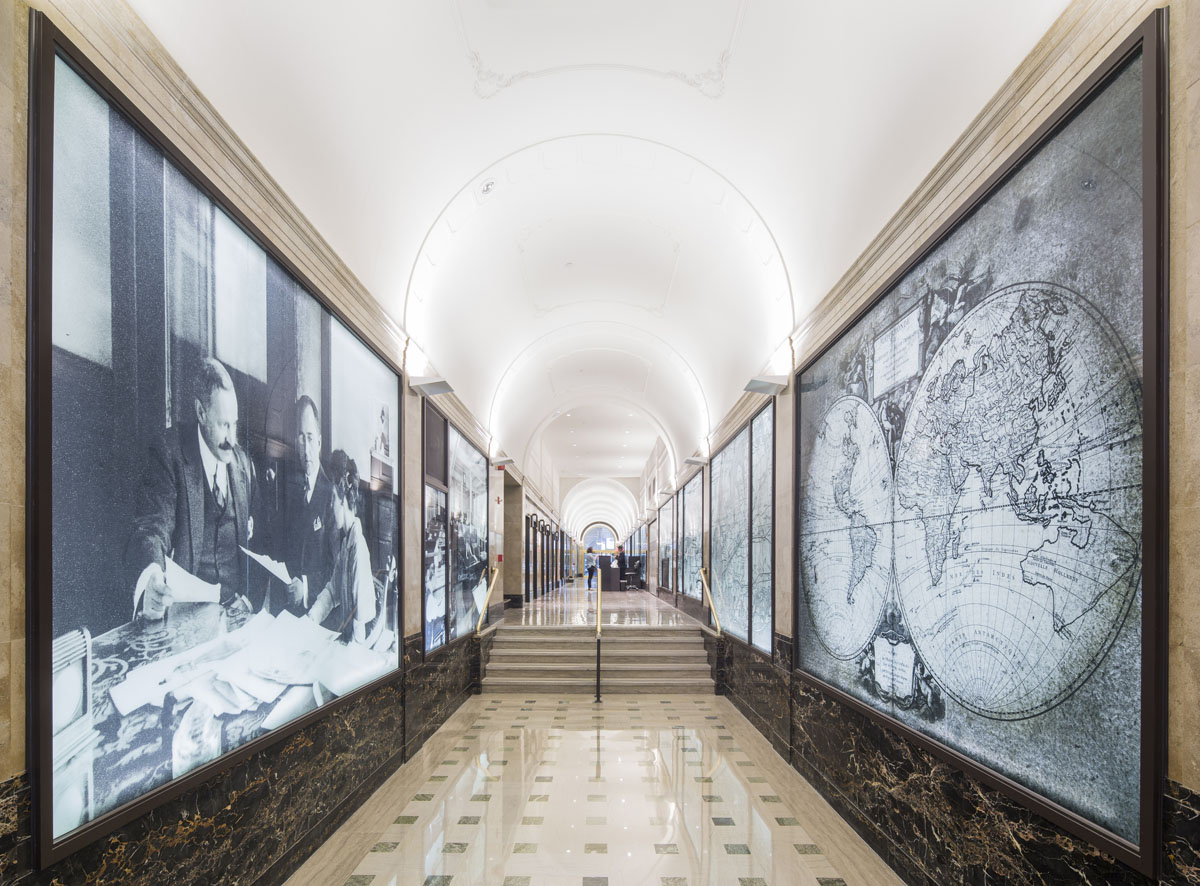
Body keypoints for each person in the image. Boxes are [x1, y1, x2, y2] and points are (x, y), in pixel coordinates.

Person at [126, 357, 257, 619]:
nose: (232, 438)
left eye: (234, 424)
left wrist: (247, 598)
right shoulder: (169, 453)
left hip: (235, 614)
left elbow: (258, 545)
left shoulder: (243, 464)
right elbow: (153, 527)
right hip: (186, 616)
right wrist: (152, 576)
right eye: (223, 425)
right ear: (201, 412)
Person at [306, 450, 376, 644]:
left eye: (333, 501)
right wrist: (312, 616)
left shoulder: (358, 548)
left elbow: (360, 628)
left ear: (343, 500)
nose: (330, 507)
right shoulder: (346, 543)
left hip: (357, 645)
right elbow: (332, 591)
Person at [277, 395, 334, 616]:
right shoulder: (289, 489)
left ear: (319, 442)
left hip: (320, 613)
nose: (306, 448)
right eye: (301, 438)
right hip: (287, 609)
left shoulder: (332, 495)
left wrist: (306, 587)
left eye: (310, 438)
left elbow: (337, 568)